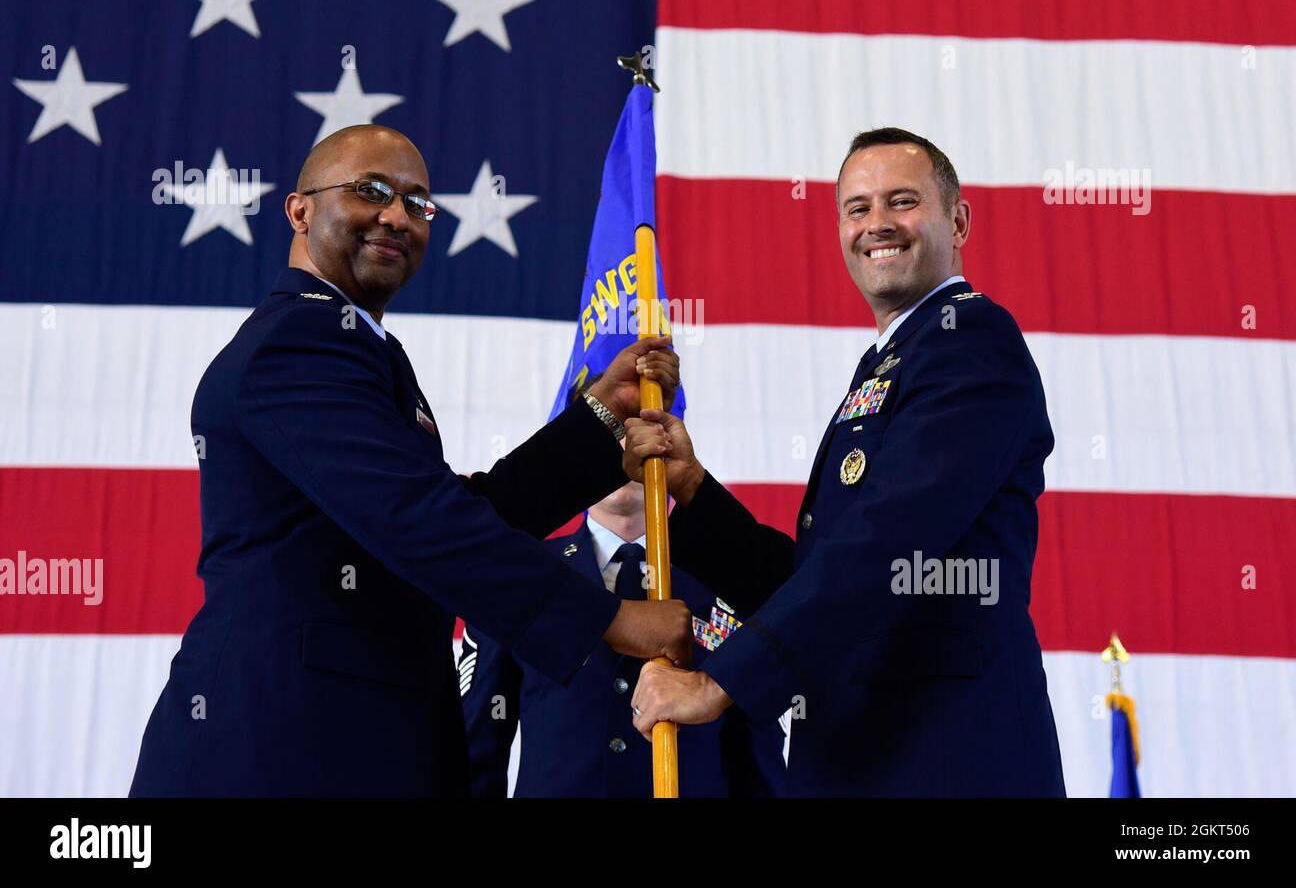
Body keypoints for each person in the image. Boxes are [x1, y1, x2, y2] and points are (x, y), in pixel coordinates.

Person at [129, 124, 691, 797]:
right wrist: (610, 618)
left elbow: (455, 512)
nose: (397, 215)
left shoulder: (363, 350)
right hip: (281, 751)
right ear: (299, 210)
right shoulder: (297, 343)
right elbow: (419, 520)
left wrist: (599, 417)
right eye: (370, 191)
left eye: (418, 203)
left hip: (347, 749)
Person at [624, 127, 1067, 797]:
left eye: (902, 201)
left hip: (945, 758)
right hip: (864, 754)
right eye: (858, 208)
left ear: (959, 218)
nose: (878, 224)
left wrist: (722, 681)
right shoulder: (896, 357)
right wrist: (693, 488)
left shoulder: (971, 342)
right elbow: (820, 571)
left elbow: (886, 543)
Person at [458, 398, 786, 798]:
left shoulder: (729, 577)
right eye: (610, 432)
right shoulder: (520, 574)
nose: (625, 448)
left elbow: (758, 761)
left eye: (639, 431)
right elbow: (475, 752)